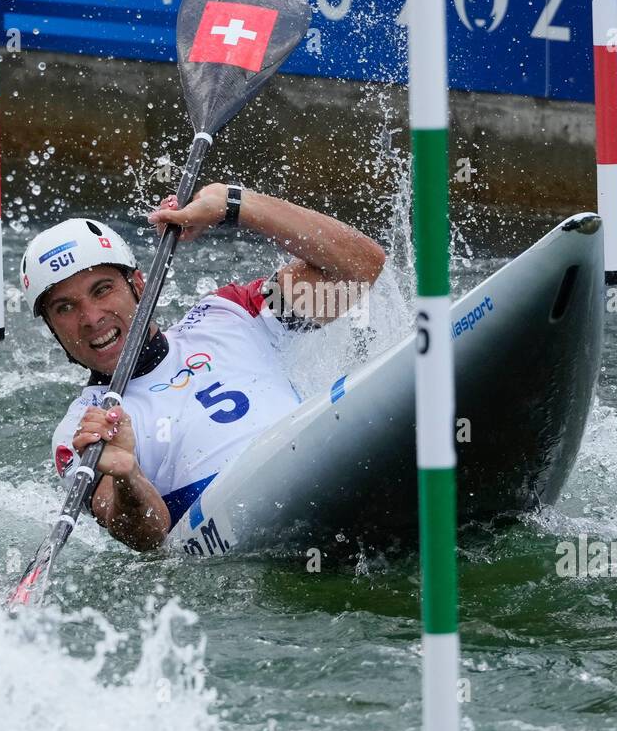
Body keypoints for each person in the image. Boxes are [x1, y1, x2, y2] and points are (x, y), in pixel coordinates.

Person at [19, 181, 385, 552]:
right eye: (65, 308)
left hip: (333, 467)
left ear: (140, 285)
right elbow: (146, 538)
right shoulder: (83, 432)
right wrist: (128, 475)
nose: (91, 317)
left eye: (102, 289)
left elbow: (361, 268)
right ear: (53, 329)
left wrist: (235, 205)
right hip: (260, 547)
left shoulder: (233, 313)